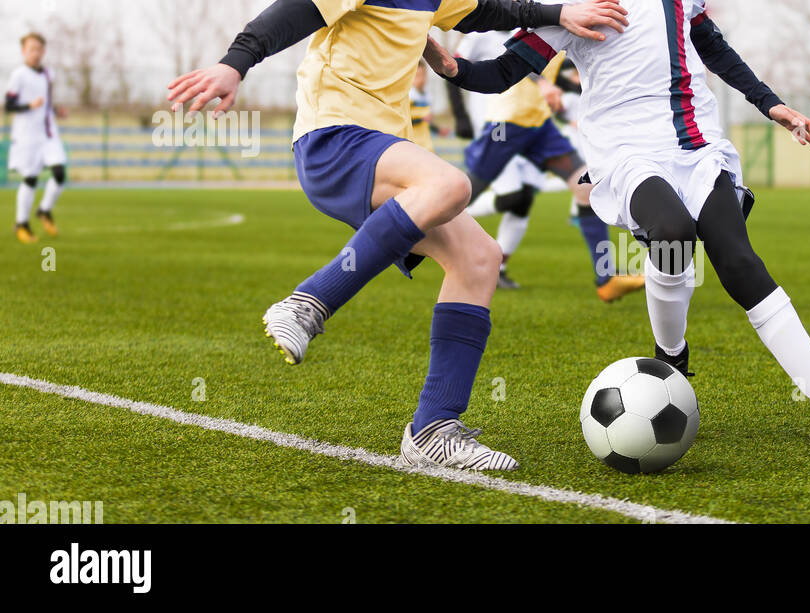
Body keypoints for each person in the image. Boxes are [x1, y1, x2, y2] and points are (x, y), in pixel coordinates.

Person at [166, 0, 630, 471]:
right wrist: (234, 64)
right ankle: (309, 302)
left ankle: (433, 429)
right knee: (451, 184)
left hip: (384, 147)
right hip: (334, 135)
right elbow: (295, 11)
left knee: (480, 258)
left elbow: (491, 11)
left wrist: (558, 13)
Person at [426, 0, 810, 454]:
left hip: (697, 146)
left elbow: (715, 48)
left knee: (740, 263)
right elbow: (502, 73)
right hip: (627, 153)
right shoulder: (574, 7)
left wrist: (773, 105)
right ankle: (671, 356)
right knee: (672, 234)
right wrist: (449, 66)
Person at [456, 29, 645, 299]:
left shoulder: (573, 17)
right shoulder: (535, 14)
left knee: (585, 188)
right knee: (464, 191)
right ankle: (404, 233)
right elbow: (518, 53)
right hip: (505, 122)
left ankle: (607, 279)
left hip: (539, 123)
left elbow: (561, 69)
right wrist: (541, 83)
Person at [6, 32, 69, 244]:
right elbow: (8, 105)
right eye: (30, 49)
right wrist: (29, 106)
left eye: (38, 49)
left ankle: (44, 210)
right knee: (30, 179)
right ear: (24, 51)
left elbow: (48, 102)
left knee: (59, 173)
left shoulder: (49, 74)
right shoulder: (19, 75)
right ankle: (21, 223)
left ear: (43, 51)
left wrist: (57, 110)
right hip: (27, 136)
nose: (35, 53)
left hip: (48, 133)